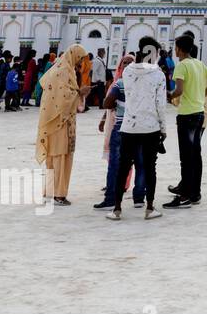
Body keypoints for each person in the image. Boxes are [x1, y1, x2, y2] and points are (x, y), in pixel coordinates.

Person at [105, 39, 170, 221]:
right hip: (150, 126)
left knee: (123, 167)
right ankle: (149, 208)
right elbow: (160, 104)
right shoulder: (158, 74)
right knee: (149, 168)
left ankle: (117, 209)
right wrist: (163, 129)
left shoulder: (127, 71)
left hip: (129, 126)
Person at [164, 34, 207, 209]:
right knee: (195, 155)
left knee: (186, 157)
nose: (175, 51)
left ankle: (185, 196)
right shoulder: (198, 64)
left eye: (175, 47)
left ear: (180, 49)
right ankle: (195, 193)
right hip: (198, 113)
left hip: (186, 115)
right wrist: (202, 93)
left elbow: (179, 90)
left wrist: (168, 95)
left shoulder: (182, 65)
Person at [35, 44, 89, 205]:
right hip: (60, 123)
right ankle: (59, 195)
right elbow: (63, 97)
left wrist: (77, 93)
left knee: (54, 158)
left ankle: (49, 192)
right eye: (80, 58)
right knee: (60, 157)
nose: (81, 62)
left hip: (57, 121)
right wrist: (80, 93)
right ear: (74, 55)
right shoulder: (63, 71)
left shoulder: (62, 68)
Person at [95, 54, 143, 211]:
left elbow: (107, 103)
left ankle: (111, 198)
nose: (126, 65)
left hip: (122, 127)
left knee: (116, 163)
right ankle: (139, 198)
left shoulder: (120, 83)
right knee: (139, 162)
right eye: (124, 62)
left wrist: (115, 103)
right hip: (137, 128)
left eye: (129, 62)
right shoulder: (142, 83)